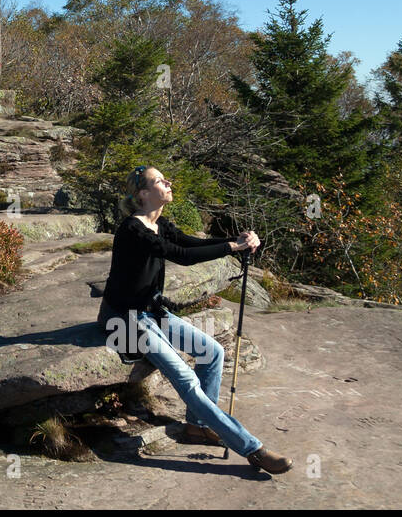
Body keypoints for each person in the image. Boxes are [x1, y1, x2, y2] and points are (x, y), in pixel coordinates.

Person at [95, 164, 293, 475]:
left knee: (212, 352)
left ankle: (197, 427)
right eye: (161, 180)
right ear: (144, 194)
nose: (169, 182)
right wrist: (232, 247)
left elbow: (190, 243)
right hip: (125, 320)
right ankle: (252, 449)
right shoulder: (132, 230)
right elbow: (182, 256)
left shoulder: (161, 224)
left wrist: (236, 239)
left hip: (152, 312)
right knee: (186, 380)